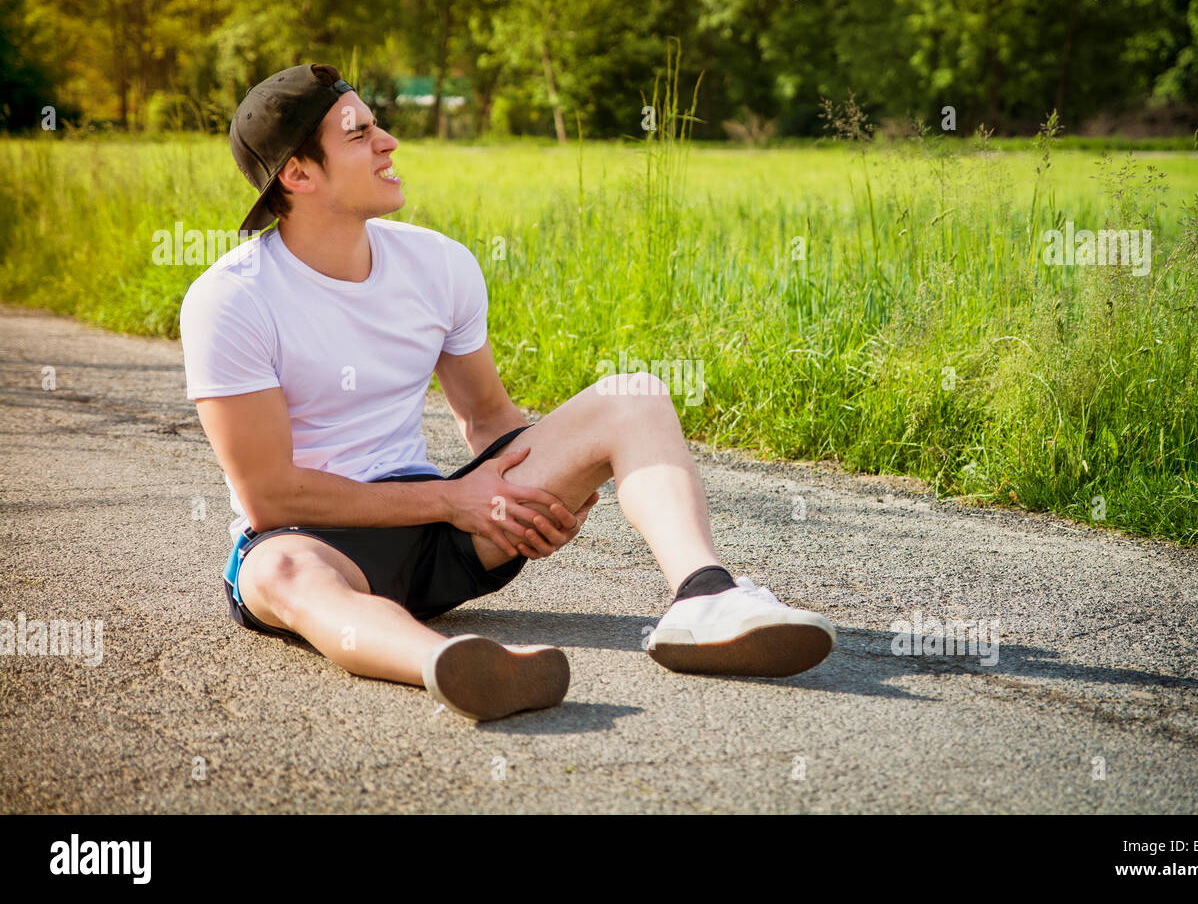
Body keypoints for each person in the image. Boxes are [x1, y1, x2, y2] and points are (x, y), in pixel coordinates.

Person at [179, 63, 836, 723]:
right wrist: (452, 498)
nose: (388, 142)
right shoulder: (231, 300)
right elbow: (271, 497)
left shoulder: (438, 264)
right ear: (298, 173)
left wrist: (536, 498)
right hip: (311, 544)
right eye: (359, 134)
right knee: (279, 572)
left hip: (441, 538)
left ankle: (705, 596)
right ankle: (455, 664)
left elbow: (488, 417)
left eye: (378, 125)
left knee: (633, 395)